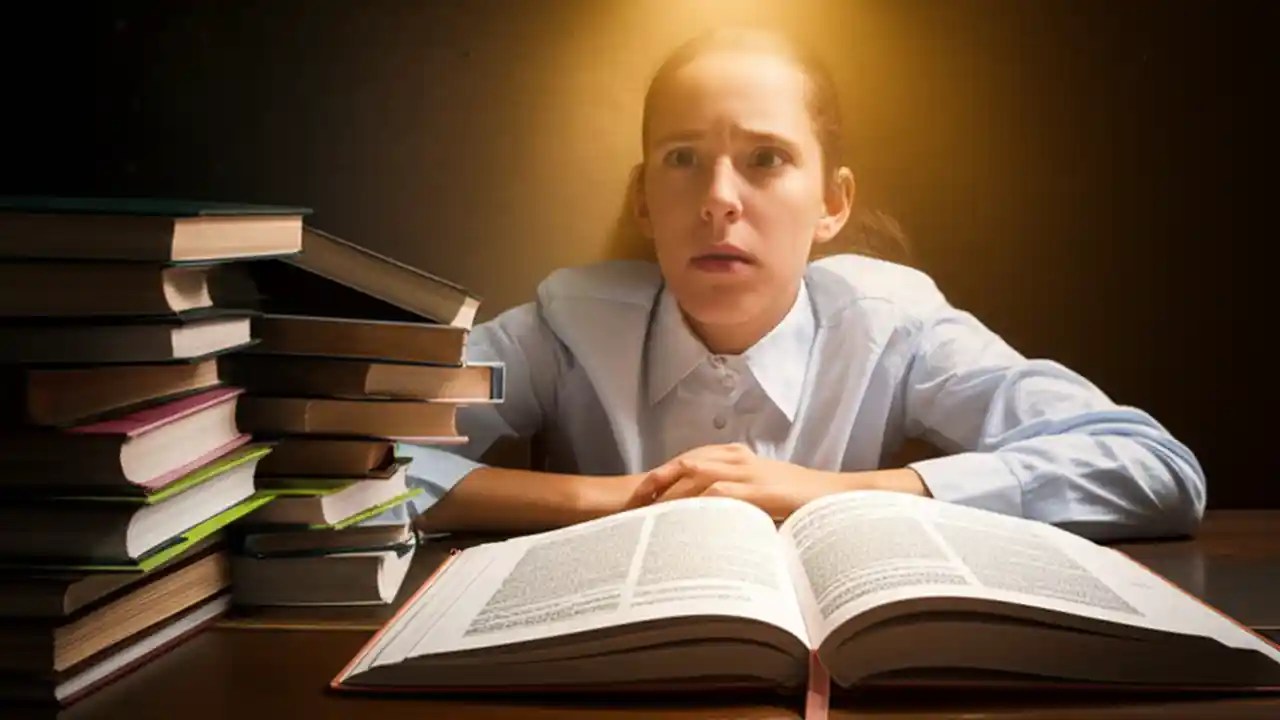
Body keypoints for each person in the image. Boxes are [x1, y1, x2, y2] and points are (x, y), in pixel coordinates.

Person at [395, 28, 1205, 541]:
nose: (719, 197)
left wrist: (830, 492)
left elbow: (1153, 468)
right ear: (643, 199)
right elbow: (355, 460)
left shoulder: (893, 323)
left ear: (832, 203)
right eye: (683, 158)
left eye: (766, 158)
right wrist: (621, 499)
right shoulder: (566, 325)